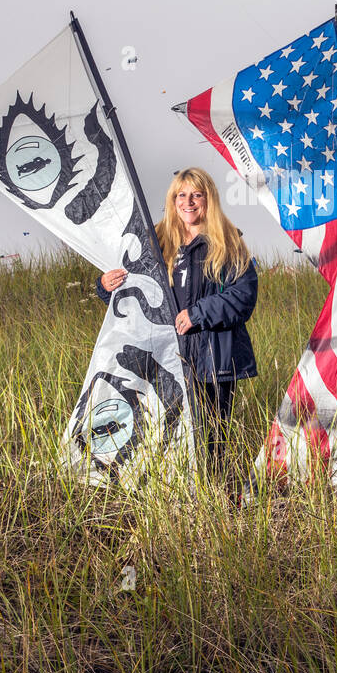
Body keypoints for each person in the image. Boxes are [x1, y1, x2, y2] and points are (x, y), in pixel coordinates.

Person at [97, 168, 258, 479]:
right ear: (172, 201)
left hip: (214, 358)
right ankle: (172, 497)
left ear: (208, 198)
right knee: (165, 432)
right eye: (181, 195)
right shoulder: (155, 241)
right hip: (165, 358)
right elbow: (133, 289)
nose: (188, 201)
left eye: (196, 194)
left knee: (212, 434)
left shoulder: (228, 241)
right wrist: (106, 286)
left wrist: (198, 313)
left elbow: (244, 296)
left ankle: (212, 497)